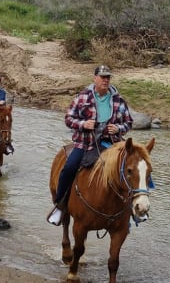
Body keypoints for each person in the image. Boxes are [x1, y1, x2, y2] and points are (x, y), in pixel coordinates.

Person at [47, 64, 133, 225]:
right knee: (69, 168)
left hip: (112, 143)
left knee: (134, 166)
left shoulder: (118, 99)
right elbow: (68, 119)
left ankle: (133, 210)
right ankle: (60, 206)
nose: (105, 80)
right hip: (86, 143)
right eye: (102, 77)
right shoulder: (83, 97)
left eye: (108, 77)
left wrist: (118, 128)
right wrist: (84, 124)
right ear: (95, 79)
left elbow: (129, 122)